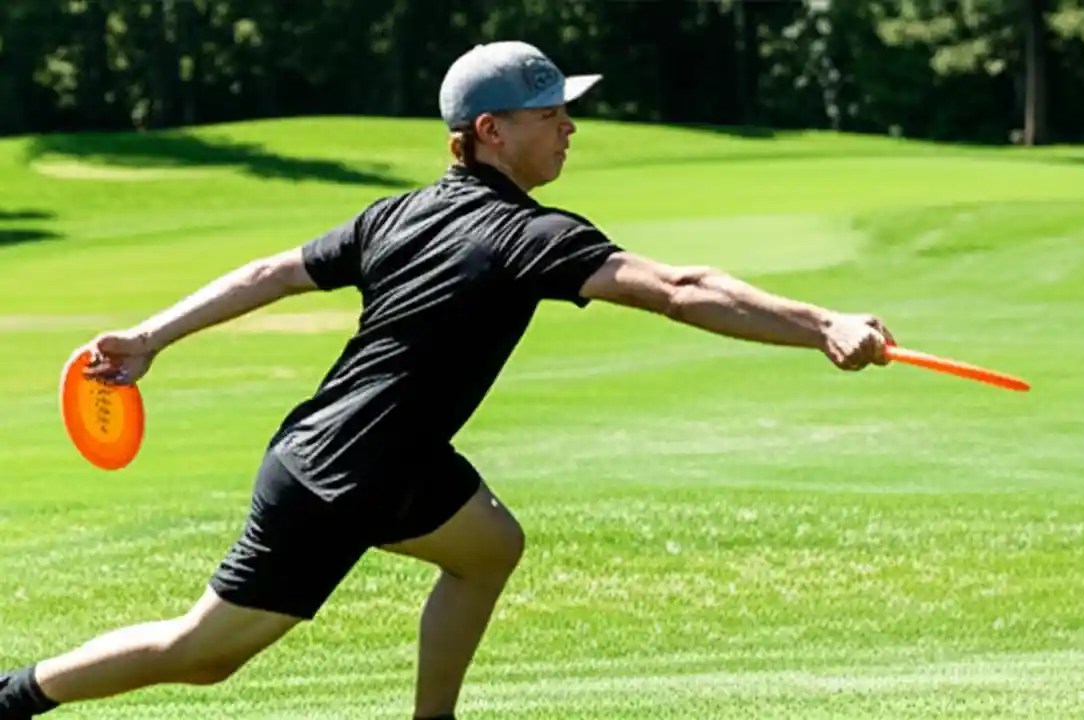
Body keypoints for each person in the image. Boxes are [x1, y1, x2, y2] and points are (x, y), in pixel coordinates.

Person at [0, 40, 893, 720]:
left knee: (489, 547)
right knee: (203, 654)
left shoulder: (401, 214)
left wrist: (152, 337)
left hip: (395, 458)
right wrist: (822, 326)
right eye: (550, 113)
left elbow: (273, 272)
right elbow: (680, 288)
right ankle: (13, 695)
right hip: (340, 472)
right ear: (491, 132)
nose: (569, 127)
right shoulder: (525, 235)